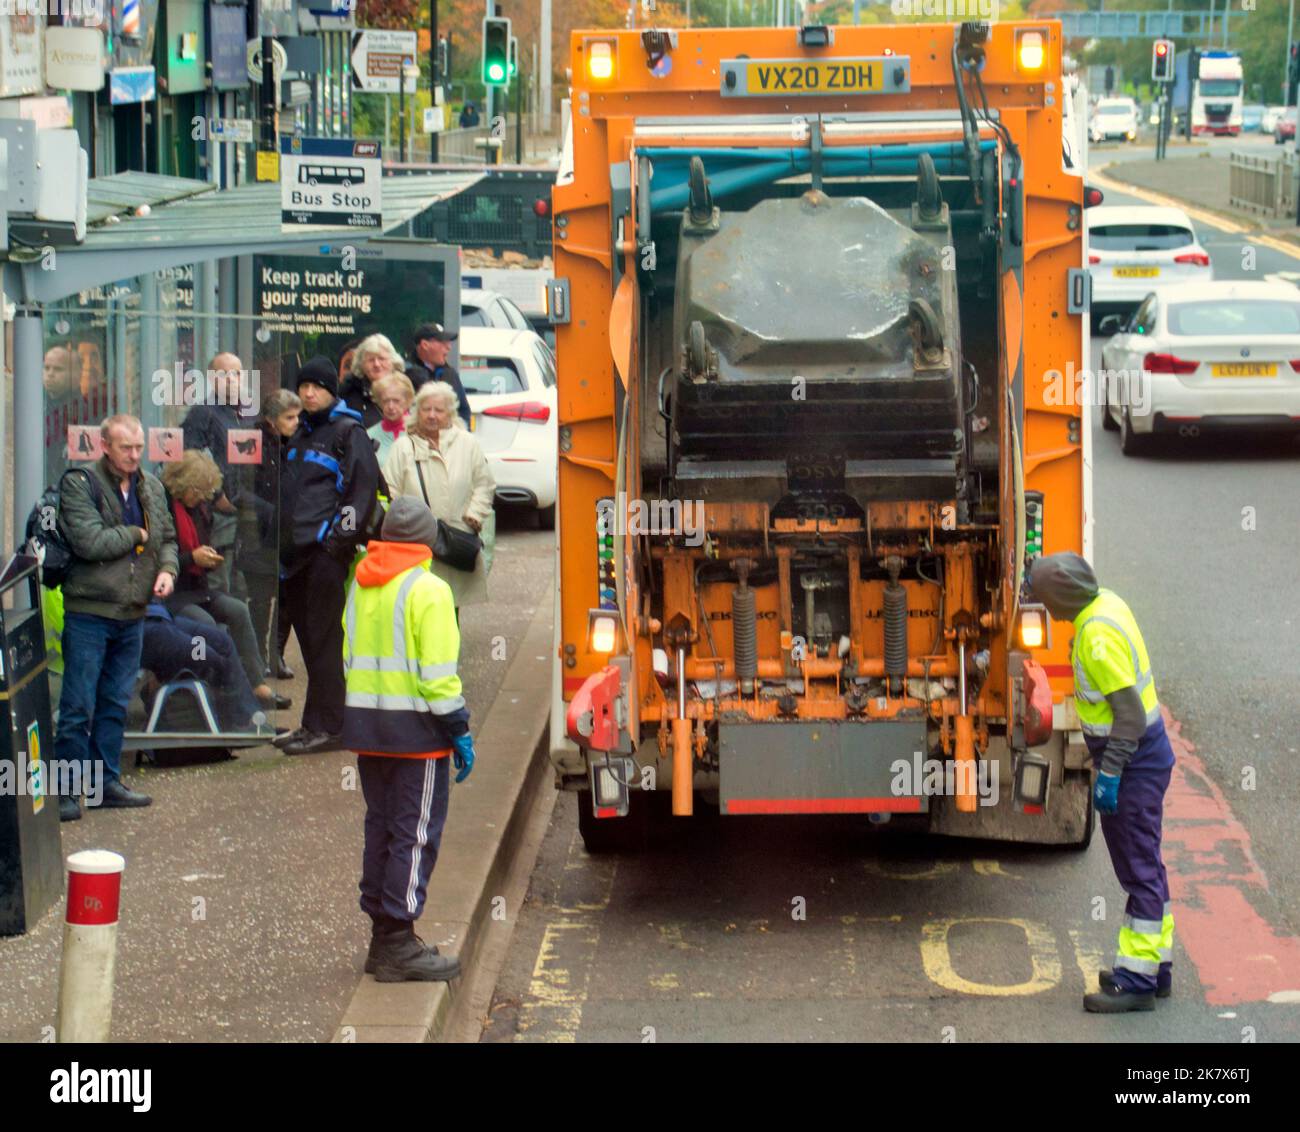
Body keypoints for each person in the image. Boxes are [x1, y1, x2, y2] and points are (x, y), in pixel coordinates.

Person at [1028, 553, 1175, 1014]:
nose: (1045, 609)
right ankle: (1155, 969)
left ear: (1060, 601)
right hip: (1145, 759)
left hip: (1135, 763)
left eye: (1044, 599)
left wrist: (1109, 773)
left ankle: (1136, 985)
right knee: (1147, 864)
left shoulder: (1095, 637)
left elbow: (1128, 716)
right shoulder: (1106, 603)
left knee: (1139, 871)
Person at [343, 495, 474, 982]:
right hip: (417, 735)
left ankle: (383, 939)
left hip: (368, 731)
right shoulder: (430, 590)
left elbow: (349, 658)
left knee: (380, 828)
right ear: (427, 542)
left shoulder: (360, 585)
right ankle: (399, 942)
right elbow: (438, 678)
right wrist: (458, 727)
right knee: (415, 834)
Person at [55, 414, 178, 821]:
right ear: (104, 445)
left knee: (114, 702)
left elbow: (168, 540)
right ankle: (66, 790)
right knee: (77, 704)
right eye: (125, 447)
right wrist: (136, 535)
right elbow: (90, 542)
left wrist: (167, 570)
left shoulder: (152, 487)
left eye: (139, 447)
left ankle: (105, 783)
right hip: (90, 609)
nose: (134, 455)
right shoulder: (79, 483)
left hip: (133, 611)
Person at [274, 357, 382, 756]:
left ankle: (332, 726)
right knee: (309, 646)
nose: (308, 393)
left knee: (324, 642)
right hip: (295, 555)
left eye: (316, 386)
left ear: (331, 391)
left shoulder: (346, 432)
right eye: (303, 387)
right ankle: (312, 724)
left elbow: (361, 492)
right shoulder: (302, 433)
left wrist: (335, 542)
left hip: (322, 555)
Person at [160, 450, 289, 712]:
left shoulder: (199, 509)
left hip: (198, 588)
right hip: (174, 592)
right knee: (206, 624)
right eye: (197, 491)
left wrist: (206, 558)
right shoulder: (165, 509)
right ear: (182, 485)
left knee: (239, 611)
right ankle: (224, 687)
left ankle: (256, 683)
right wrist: (192, 559)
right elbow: (163, 556)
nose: (201, 498)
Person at [383, 381, 495, 613]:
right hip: (415, 544)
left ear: (450, 413)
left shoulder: (468, 444)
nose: (432, 415)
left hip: (456, 538)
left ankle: (447, 649)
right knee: (417, 605)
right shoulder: (403, 447)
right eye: (426, 409)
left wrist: (474, 514)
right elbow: (389, 491)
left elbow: (484, 484)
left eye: (439, 410)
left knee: (449, 606)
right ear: (417, 411)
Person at [141, 603, 275, 736]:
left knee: (222, 642)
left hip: (162, 618)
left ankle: (247, 718)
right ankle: (224, 723)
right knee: (212, 658)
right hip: (147, 628)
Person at [240, 388, 301, 680]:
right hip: (259, 533)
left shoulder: (293, 445)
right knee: (261, 599)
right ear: (271, 420)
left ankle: (275, 653)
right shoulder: (253, 443)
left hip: (286, 532)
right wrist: (270, 512)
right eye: (289, 417)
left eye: (297, 416)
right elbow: (241, 488)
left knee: (288, 598)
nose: (296, 422)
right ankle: (260, 657)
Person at [181, 353, 251, 593]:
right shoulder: (204, 412)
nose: (232, 380)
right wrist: (215, 496)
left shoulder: (242, 413)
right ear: (212, 379)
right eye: (224, 374)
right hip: (217, 512)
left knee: (238, 583)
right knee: (219, 582)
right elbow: (189, 459)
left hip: (240, 507)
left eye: (237, 374)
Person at [406, 323, 471, 427]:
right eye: (442, 342)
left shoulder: (450, 373)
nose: (448, 347)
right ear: (425, 345)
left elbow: (464, 410)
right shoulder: (406, 375)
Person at [340, 333, 406, 430]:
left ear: (393, 362)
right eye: (371, 360)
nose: (377, 364)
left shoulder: (407, 389)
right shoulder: (348, 395)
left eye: (382, 358)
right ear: (361, 364)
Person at [366, 373, 416, 463]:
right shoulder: (369, 436)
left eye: (396, 401)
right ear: (379, 402)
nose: (391, 406)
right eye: (386, 401)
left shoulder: (421, 431)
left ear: (408, 400)